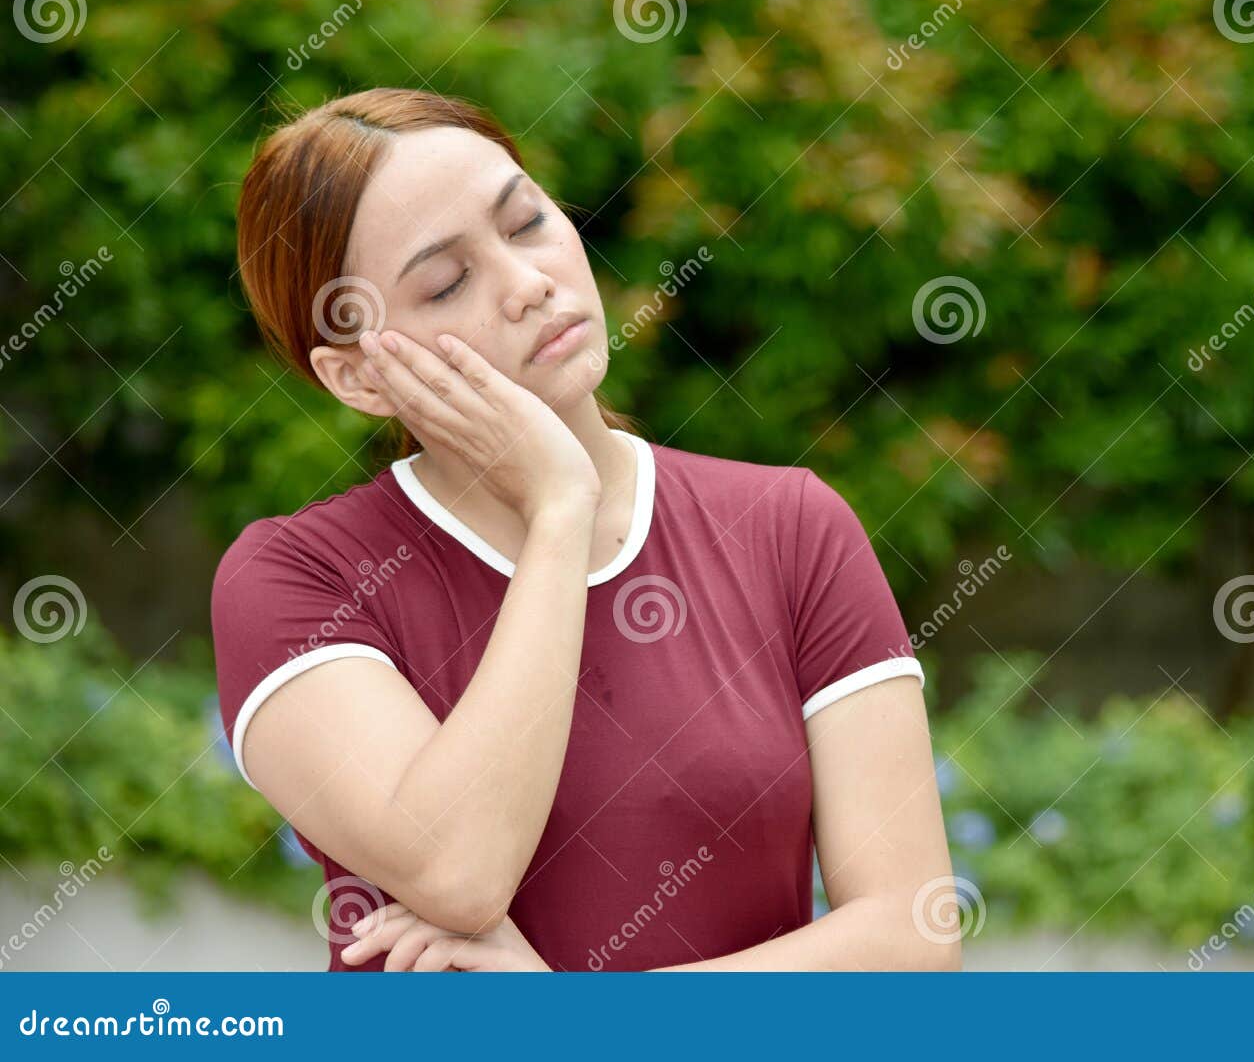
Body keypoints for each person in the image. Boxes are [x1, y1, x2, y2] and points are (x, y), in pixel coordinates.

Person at [212, 87, 960, 971]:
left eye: (527, 221)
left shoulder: (788, 527)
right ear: (358, 377)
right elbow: (458, 869)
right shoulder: (302, 580)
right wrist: (560, 511)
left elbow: (913, 937)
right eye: (447, 281)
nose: (530, 284)